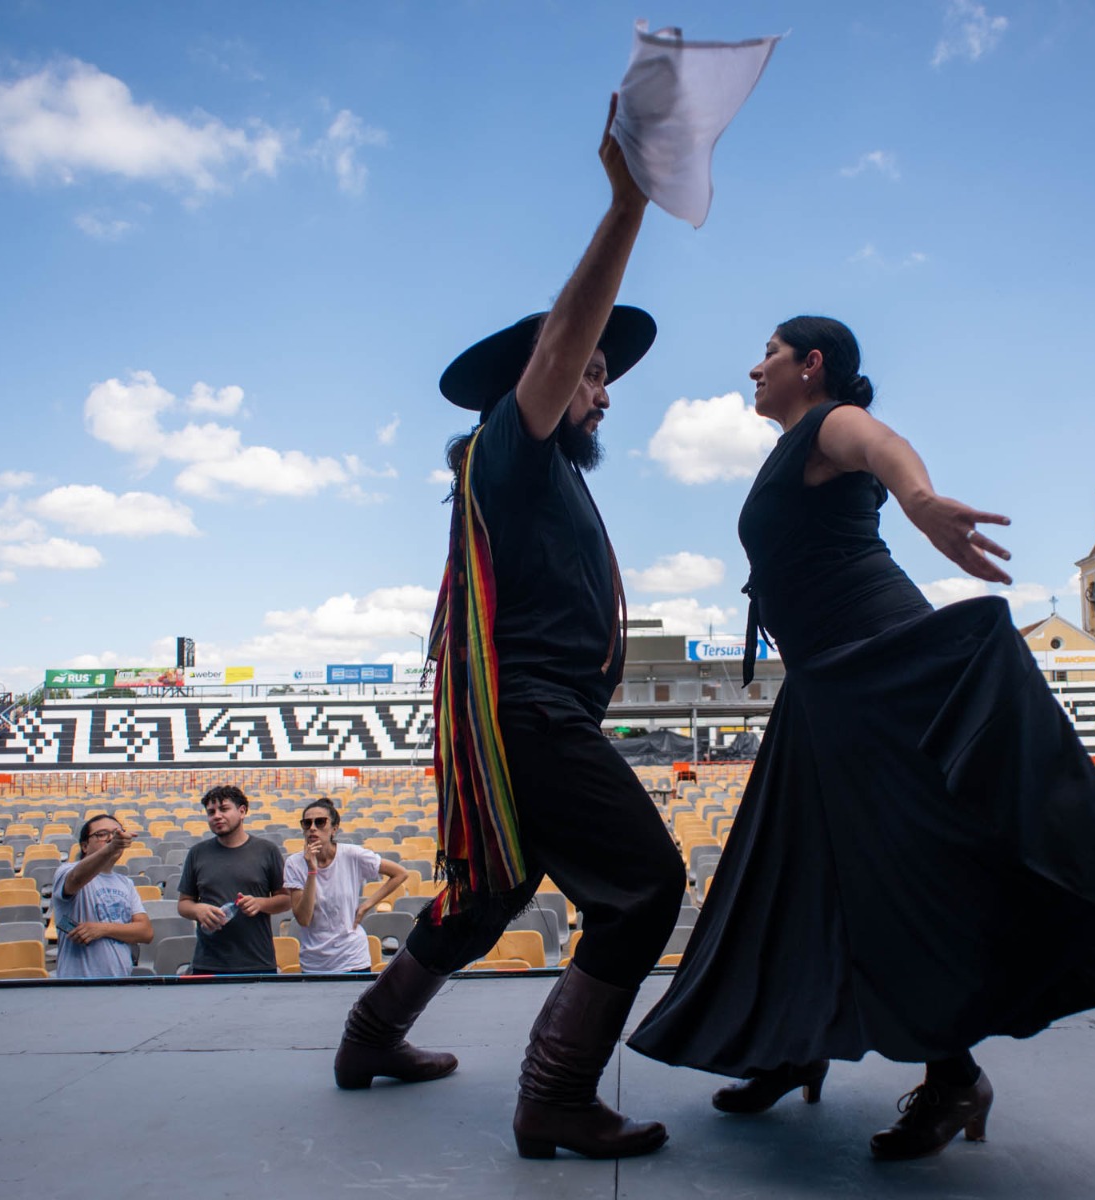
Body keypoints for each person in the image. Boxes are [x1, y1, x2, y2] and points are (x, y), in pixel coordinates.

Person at [628, 316, 1095, 1160]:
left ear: (812, 367)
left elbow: (883, 446)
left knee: (895, 877)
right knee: (795, 877)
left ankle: (953, 1076)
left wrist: (921, 502)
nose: (754, 368)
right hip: (825, 689)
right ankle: (793, 1043)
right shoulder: (790, 444)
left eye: (770, 355)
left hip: (873, 669)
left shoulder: (831, 420)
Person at [332, 97, 684, 1162]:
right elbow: (566, 333)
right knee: (646, 890)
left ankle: (369, 1037)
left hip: (529, 721)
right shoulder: (510, 442)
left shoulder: (538, 476)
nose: (604, 393)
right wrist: (626, 205)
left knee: (486, 897)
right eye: (589, 372)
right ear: (540, 373)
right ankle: (554, 1096)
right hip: (532, 720)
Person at [176, 785, 290, 975]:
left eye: (224, 809)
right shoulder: (197, 853)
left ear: (242, 811)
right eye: (211, 812)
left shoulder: (267, 851)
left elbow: (286, 899)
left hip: (257, 961)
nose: (217, 816)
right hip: (208, 962)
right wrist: (198, 909)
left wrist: (260, 903)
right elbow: (183, 904)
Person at [284, 798, 406, 972]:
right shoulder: (294, 863)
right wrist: (312, 870)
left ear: (334, 828)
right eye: (307, 823)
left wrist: (366, 905)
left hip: (353, 958)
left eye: (320, 822)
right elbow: (304, 918)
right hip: (314, 962)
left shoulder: (352, 855)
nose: (312, 827)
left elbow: (400, 873)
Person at [52, 814, 153, 978]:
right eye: (102, 834)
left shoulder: (125, 883)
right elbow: (75, 879)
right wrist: (111, 848)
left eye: (116, 833)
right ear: (85, 846)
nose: (111, 838)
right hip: (77, 984)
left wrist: (102, 929)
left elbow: (145, 932)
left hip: (120, 981)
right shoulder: (66, 871)